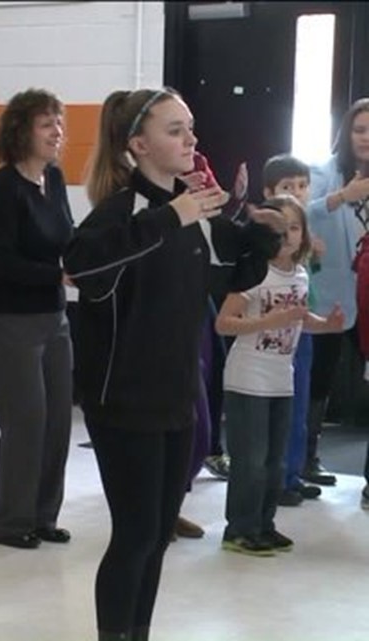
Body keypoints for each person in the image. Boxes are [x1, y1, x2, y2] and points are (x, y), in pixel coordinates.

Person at [63, 87, 282, 641]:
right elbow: (85, 266)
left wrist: (257, 228)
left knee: (157, 535)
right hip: (122, 400)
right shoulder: (122, 213)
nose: (191, 139)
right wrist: (174, 215)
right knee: (134, 535)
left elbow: (238, 273)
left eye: (190, 128)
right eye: (175, 129)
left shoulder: (197, 210)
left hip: (177, 396)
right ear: (138, 144)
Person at [216, 194, 343, 556]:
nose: (286, 235)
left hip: (280, 381)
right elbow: (224, 323)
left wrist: (327, 326)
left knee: (275, 460)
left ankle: (263, 524)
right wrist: (268, 321)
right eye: (278, 228)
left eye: (293, 227)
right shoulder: (254, 275)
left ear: (303, 235)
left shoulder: (301, 275)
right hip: (247, 379)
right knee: (251, 460)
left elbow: (301, 321)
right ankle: (239, 529)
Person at [0, 88, 75, 550]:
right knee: (26, 423)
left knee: (58, 422)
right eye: (46, 123)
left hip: (53, 315)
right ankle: (10, 521)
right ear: (22, 131)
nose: (56, 131)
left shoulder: (53, 180)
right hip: (11, 318)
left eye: (59, 122)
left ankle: (42, 515)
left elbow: (68, 239)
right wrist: (56, 274)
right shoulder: (3, 187)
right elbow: (0, 263)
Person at [303, 98, 369, 499]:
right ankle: (307, 456)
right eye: (360, 130)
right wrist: (344, 195)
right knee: (319, 378)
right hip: (330, 293)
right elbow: (297, 212)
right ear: (346, 133)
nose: (366, 139)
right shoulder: (323, 172)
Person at [260, 154, 326, 506]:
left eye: (302, 186)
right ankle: (278, 478)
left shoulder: (303, 236)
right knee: (281, 410)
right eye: (288, 187)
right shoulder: (265, 240)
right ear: (269, 192)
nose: (297, 193)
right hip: (273, 338)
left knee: (298, 406)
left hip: (302, 330)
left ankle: (292, 473)